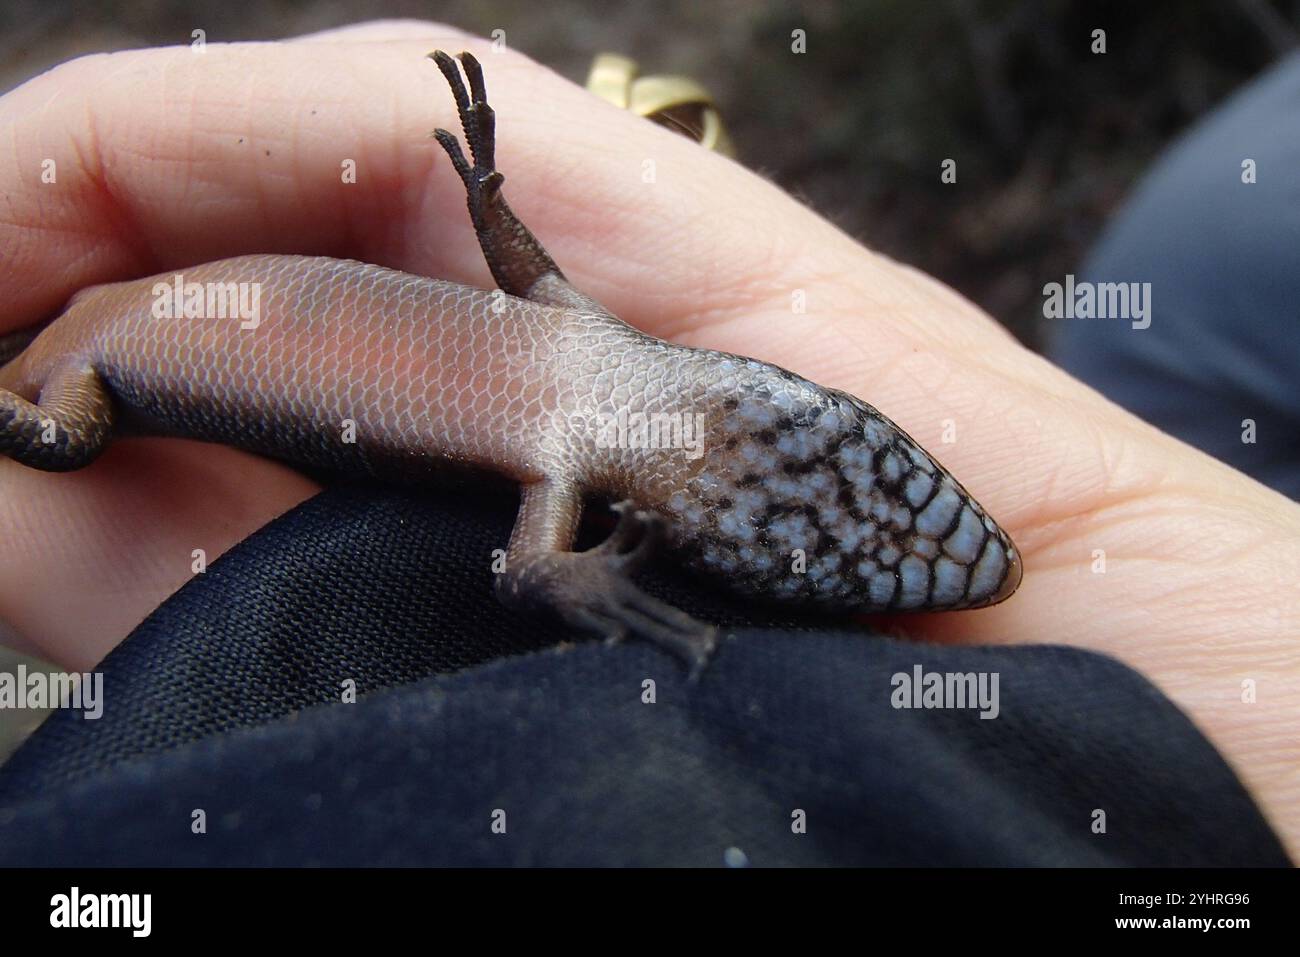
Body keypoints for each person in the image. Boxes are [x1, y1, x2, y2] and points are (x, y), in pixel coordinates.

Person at [0, 21, 1294, 865]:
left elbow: (528, 556)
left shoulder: (574, 408)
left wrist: (577, 578)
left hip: (117, 348)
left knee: (55, 443)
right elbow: (527, 549)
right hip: (112, 331)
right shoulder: (566, 435)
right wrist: (485, 190)